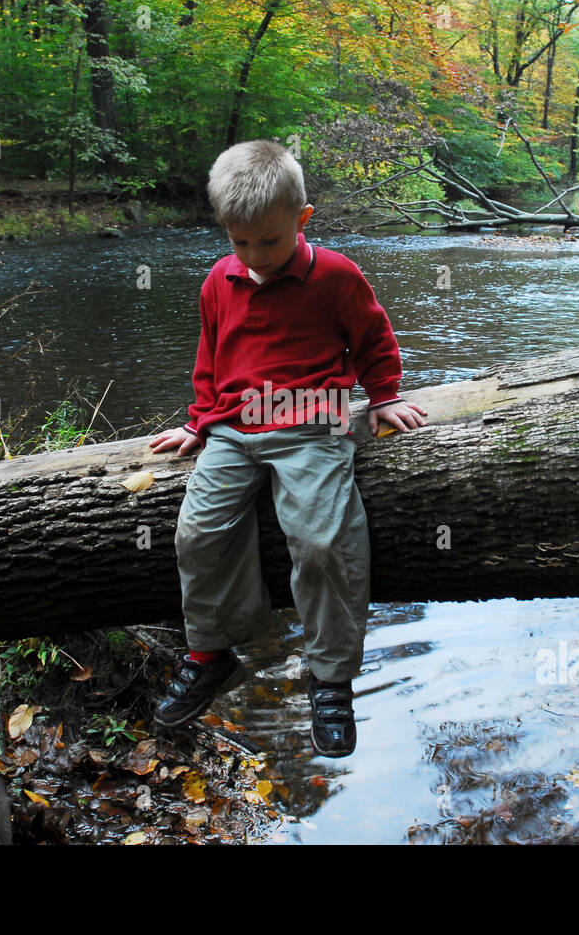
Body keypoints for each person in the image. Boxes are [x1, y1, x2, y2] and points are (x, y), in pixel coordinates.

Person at [148, 139, 427, 756]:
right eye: (239, 242)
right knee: (197, 534)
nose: (253, 257)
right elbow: (211, 356)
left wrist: (383, 396)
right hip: (232, 426)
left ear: (303, 220)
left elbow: (374, 336)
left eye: (268, 242)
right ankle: (210, 653)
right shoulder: (220, 280)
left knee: (324, 540)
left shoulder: (334, 274)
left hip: (312, 423)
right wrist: (198, 423)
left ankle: (330, 677)